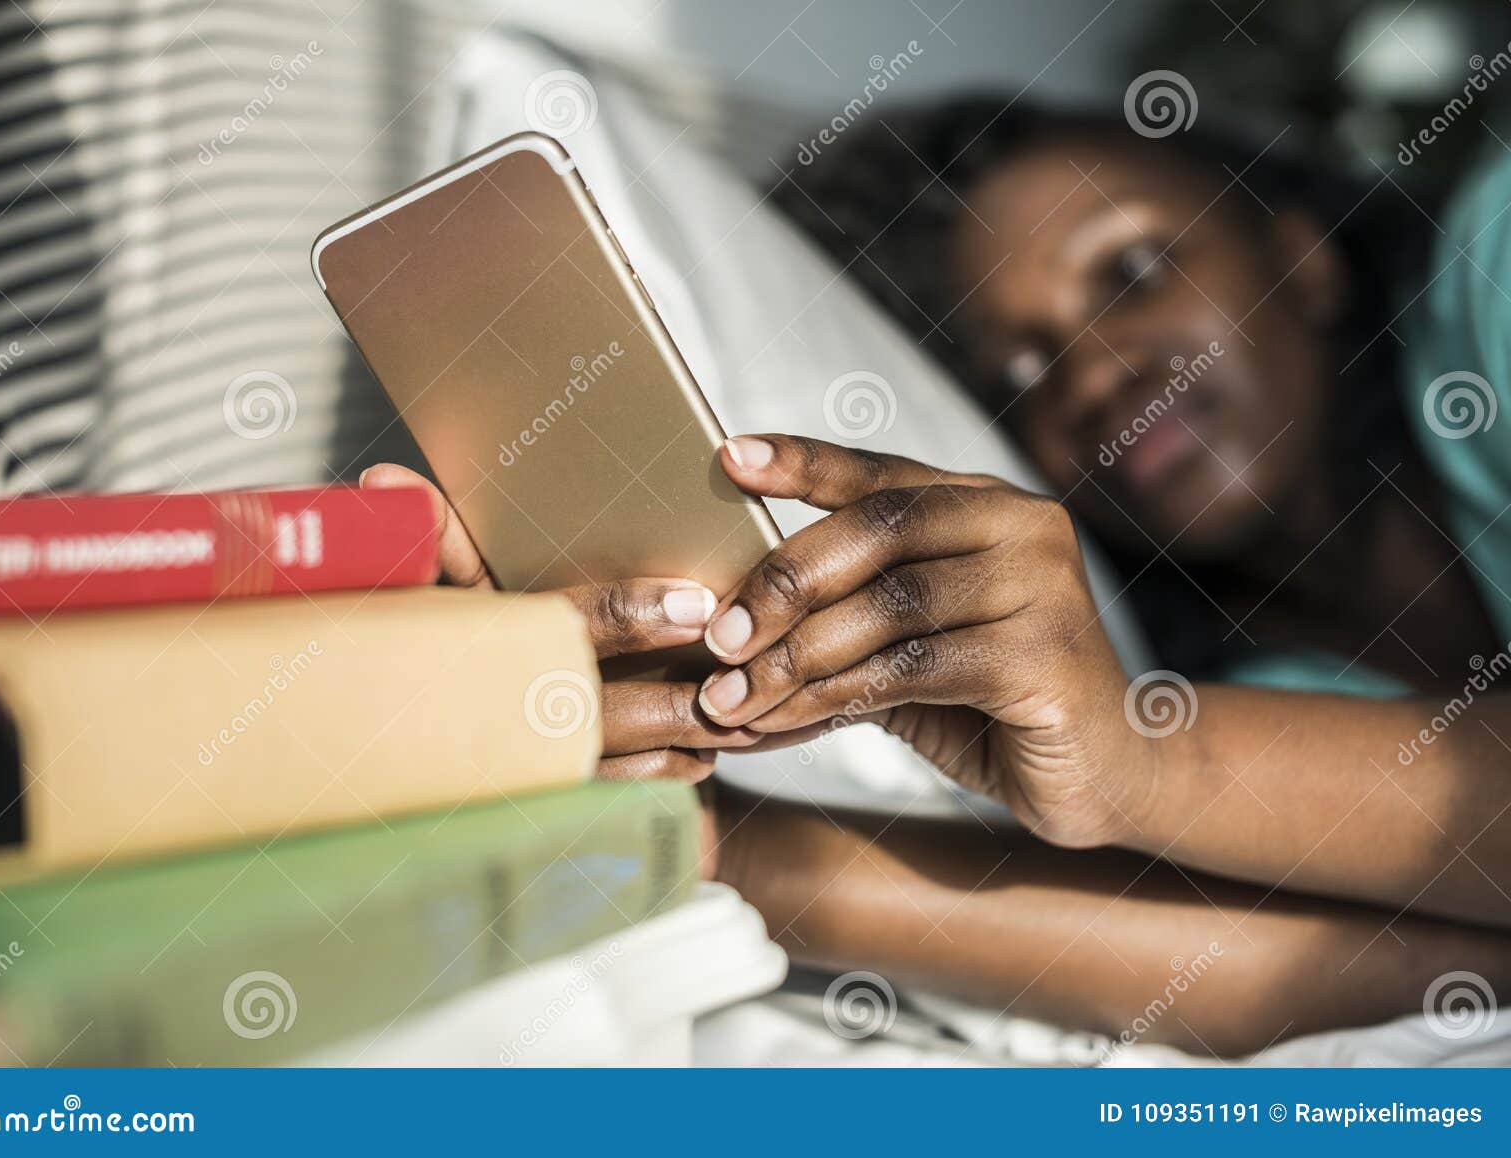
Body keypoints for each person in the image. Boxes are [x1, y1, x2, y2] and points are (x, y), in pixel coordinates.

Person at [364, 103, 1511, 1056]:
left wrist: (1147, 759)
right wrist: (696, 830)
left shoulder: (1494, 270)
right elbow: (1451, 977)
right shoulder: (1269, 689)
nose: (1097, 374)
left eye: (1134, 272)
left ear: (1301, 260)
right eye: (1021, 373)